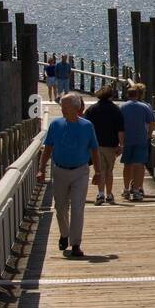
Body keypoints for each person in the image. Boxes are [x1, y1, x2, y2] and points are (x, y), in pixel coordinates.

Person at [36, 93, 102, 258]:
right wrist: (41, 168)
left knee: (78, 208)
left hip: (80, 170)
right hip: (59, 170)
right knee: (60, 207)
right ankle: (64, 234)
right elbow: (48, 148)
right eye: (61, 106)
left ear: (75, 108)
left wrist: (98, 172)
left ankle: (76, 244)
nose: (62, 109)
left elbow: (94, 149)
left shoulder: (87, 126)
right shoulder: (55, 125)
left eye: (64, 106)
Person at [84, 83, 123, 204]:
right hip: (111, 145)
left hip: (95, 145)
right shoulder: (116, 109)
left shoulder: (92, 109)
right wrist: (121, 145)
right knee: (109, 171)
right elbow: (120, 130)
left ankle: (100, 194)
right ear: (111, 96)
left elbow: (85, 126)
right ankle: (109, 194)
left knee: (99, 170)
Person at [118, 82, 155, 201]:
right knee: (139, 165)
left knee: (127, 165)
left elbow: (118, 125)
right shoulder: (145, 107)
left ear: (128, 95)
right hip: (141, 139)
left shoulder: (121, 107)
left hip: (127, 140)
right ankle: (137, 190)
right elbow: (152, 123)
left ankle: (126, 189)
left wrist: (120, 141)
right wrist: (148, 135)